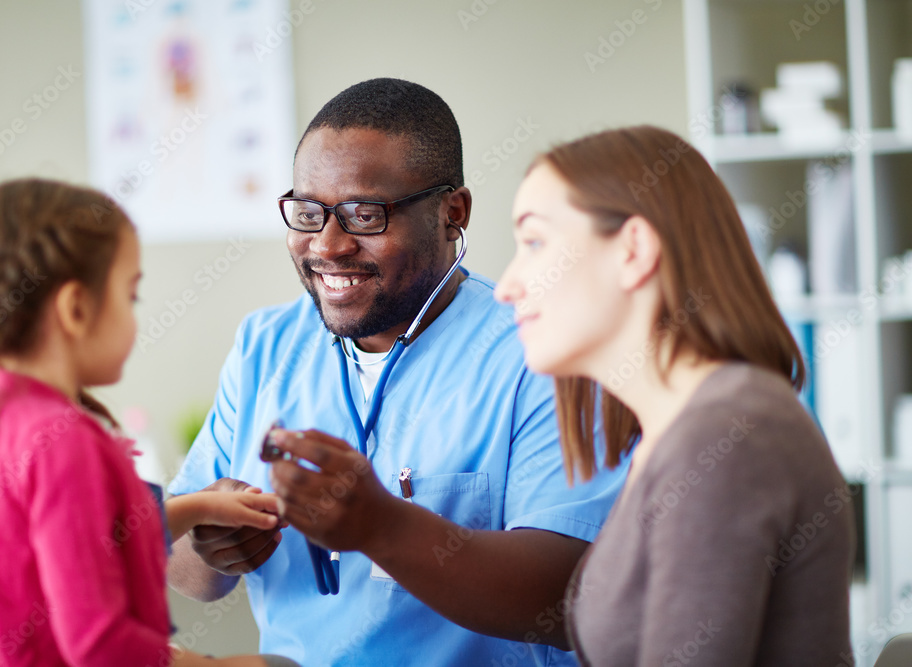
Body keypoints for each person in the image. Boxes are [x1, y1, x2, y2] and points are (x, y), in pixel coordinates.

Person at [166, 78, 630, 666]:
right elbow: (187, 568)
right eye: (309, 212)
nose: (327, 246)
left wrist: (380, 526)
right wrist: (211, 540)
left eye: (364, 215)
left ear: (451, 213)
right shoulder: (266, 343)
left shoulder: (541, 352)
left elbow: (572, 601)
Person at [494, 125, 855, 665]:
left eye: (536, 243)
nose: (506, 284)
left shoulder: (725, 434)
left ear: (634, 250)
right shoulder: (676, 431)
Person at [0, 178, 297, 667]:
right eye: (131, 295)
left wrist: (201, 506)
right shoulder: (65, 443)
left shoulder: (0, 421)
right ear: (76, 308)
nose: (135, 317)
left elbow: (85, 540)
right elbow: (101, 646)